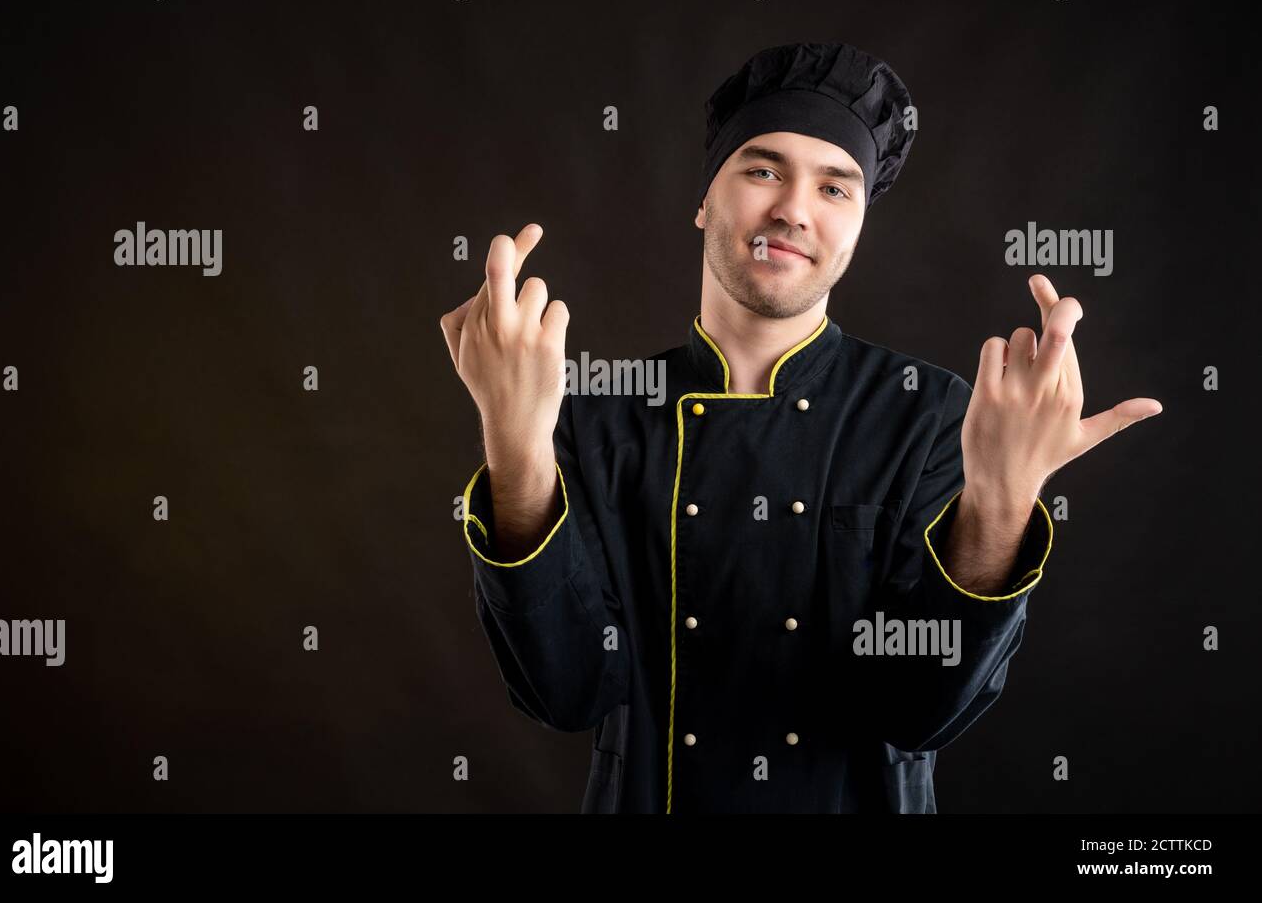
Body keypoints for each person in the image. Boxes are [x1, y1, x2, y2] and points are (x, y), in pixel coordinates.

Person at [439, 41, 1163, 813]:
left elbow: (922, 712)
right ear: (703, 201)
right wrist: (514, 444)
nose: (793, 209)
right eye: (762, 170)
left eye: (835, 188)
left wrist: (1004, 501)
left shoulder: (933, 415)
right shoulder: (595, 416)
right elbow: (567, 691)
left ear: (857, 227)